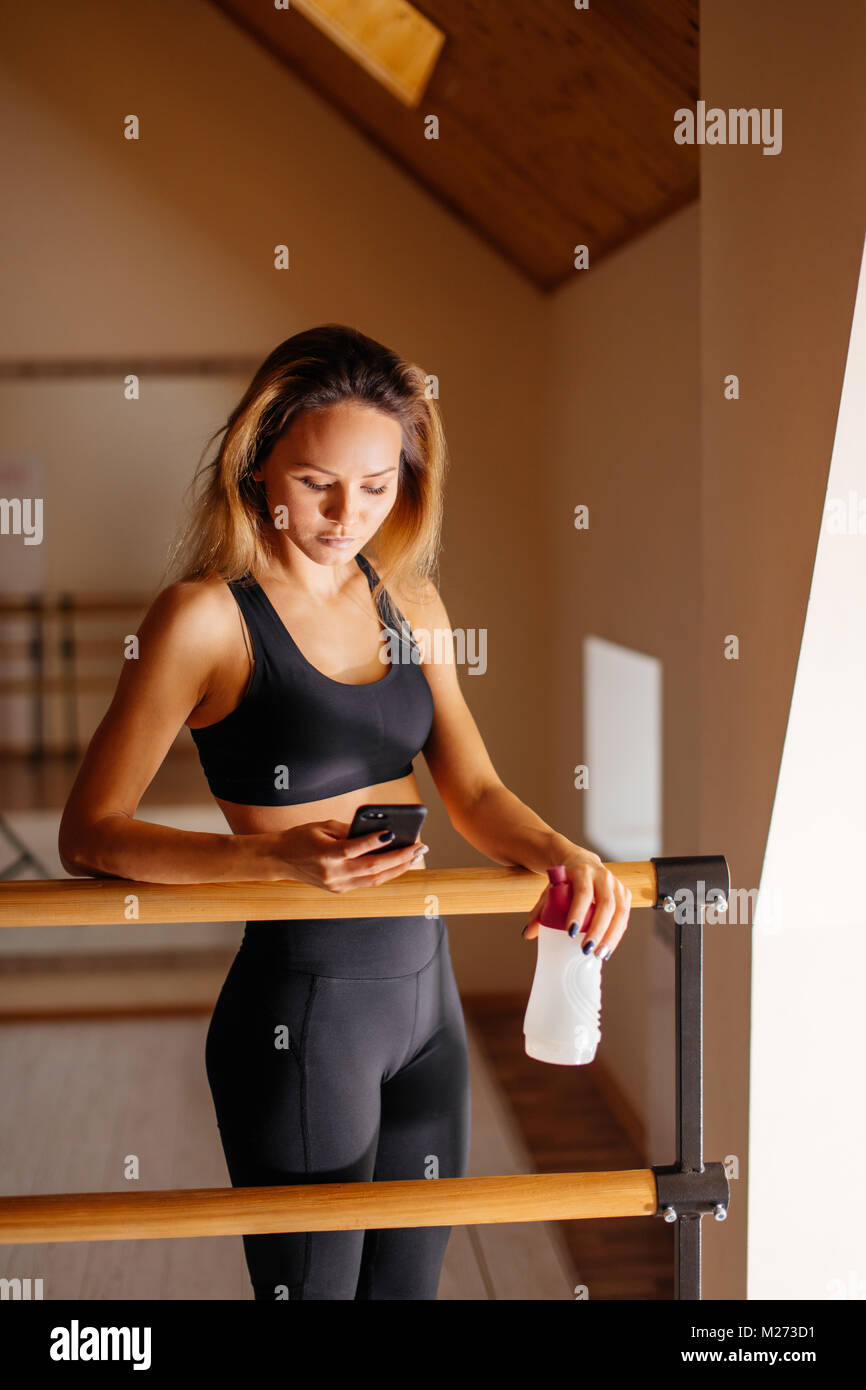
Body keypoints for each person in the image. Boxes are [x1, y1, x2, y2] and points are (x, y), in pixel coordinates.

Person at [58, 324, 633, 1300]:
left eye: (377, 485)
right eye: (318, 481)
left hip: (427, 1002)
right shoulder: (202, 617)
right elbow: (89, 834)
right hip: (303, 1012)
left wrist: (562, 850)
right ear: (257, 461)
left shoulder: (411, 602)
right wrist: (279, 863)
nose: (346, 513)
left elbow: (475, 791)